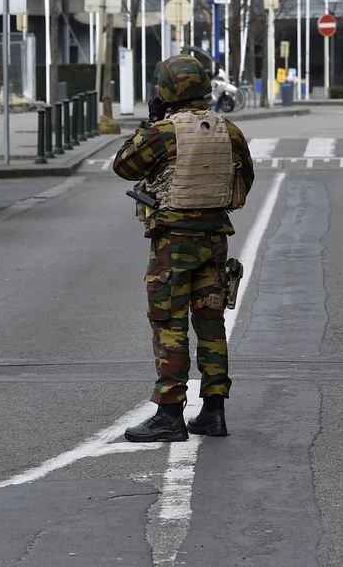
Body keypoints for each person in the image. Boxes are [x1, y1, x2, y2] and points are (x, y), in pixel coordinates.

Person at [113, 53, 254, 442]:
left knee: (169, 325)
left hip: (173, 243)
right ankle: (214, 411)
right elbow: (245, 180)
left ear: (165, 90)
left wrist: (150, 122)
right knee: (210, 323)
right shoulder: (229, 130)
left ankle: (170, 414)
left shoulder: (165, 132)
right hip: (214, 240)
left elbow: (124, 165)